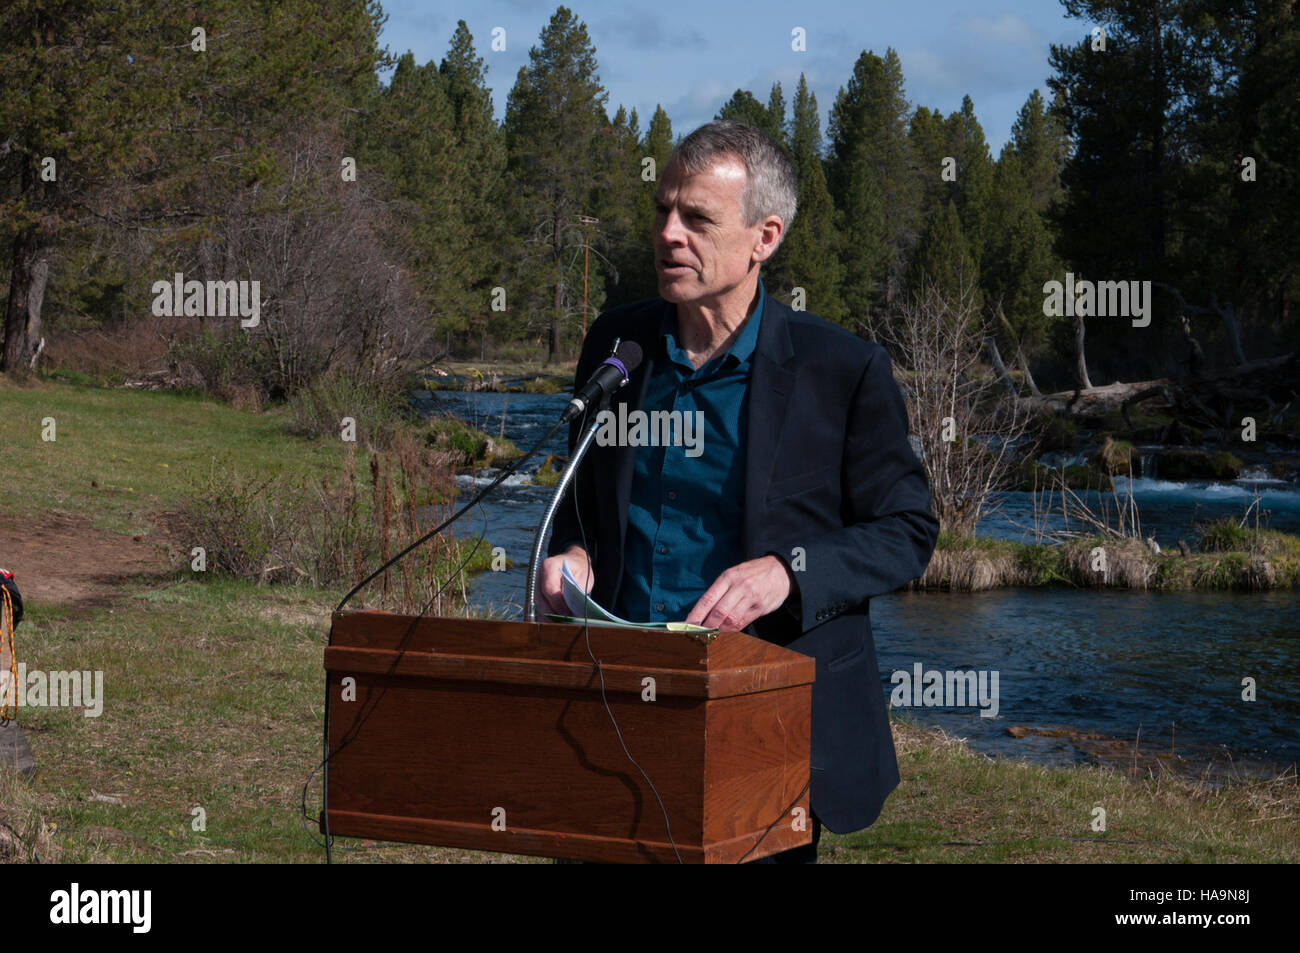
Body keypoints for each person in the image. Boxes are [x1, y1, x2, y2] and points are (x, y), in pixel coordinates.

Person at [537, 120, 938, 862]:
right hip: (618, 707)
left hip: (768, 725)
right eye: (662, 210)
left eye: (697, 218)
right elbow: (582, 506)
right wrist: (572, 556)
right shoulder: (615, 346)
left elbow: (909, 527)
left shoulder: (840, 369)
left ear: (765, 236)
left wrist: (790, 572)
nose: (668, 234)